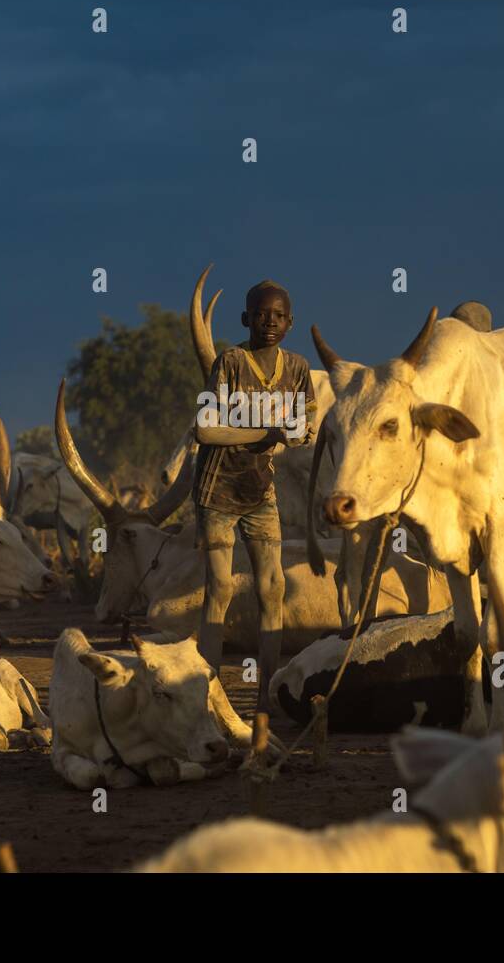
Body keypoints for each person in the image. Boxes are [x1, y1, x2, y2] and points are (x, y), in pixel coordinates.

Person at [191, 279, 316, 716]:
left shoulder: (297, 369)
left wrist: (293, 433)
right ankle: (207, 694)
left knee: (273, 587)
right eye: (262, 314)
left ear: (290, 322)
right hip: (216, 490)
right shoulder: (230, 362)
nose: (270, 322)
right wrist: (268, 431)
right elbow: (205, 429)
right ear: (246, 319)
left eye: (279, 316)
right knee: (220, 587)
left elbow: (305, 429)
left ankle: (264, 695)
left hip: (260, 490)